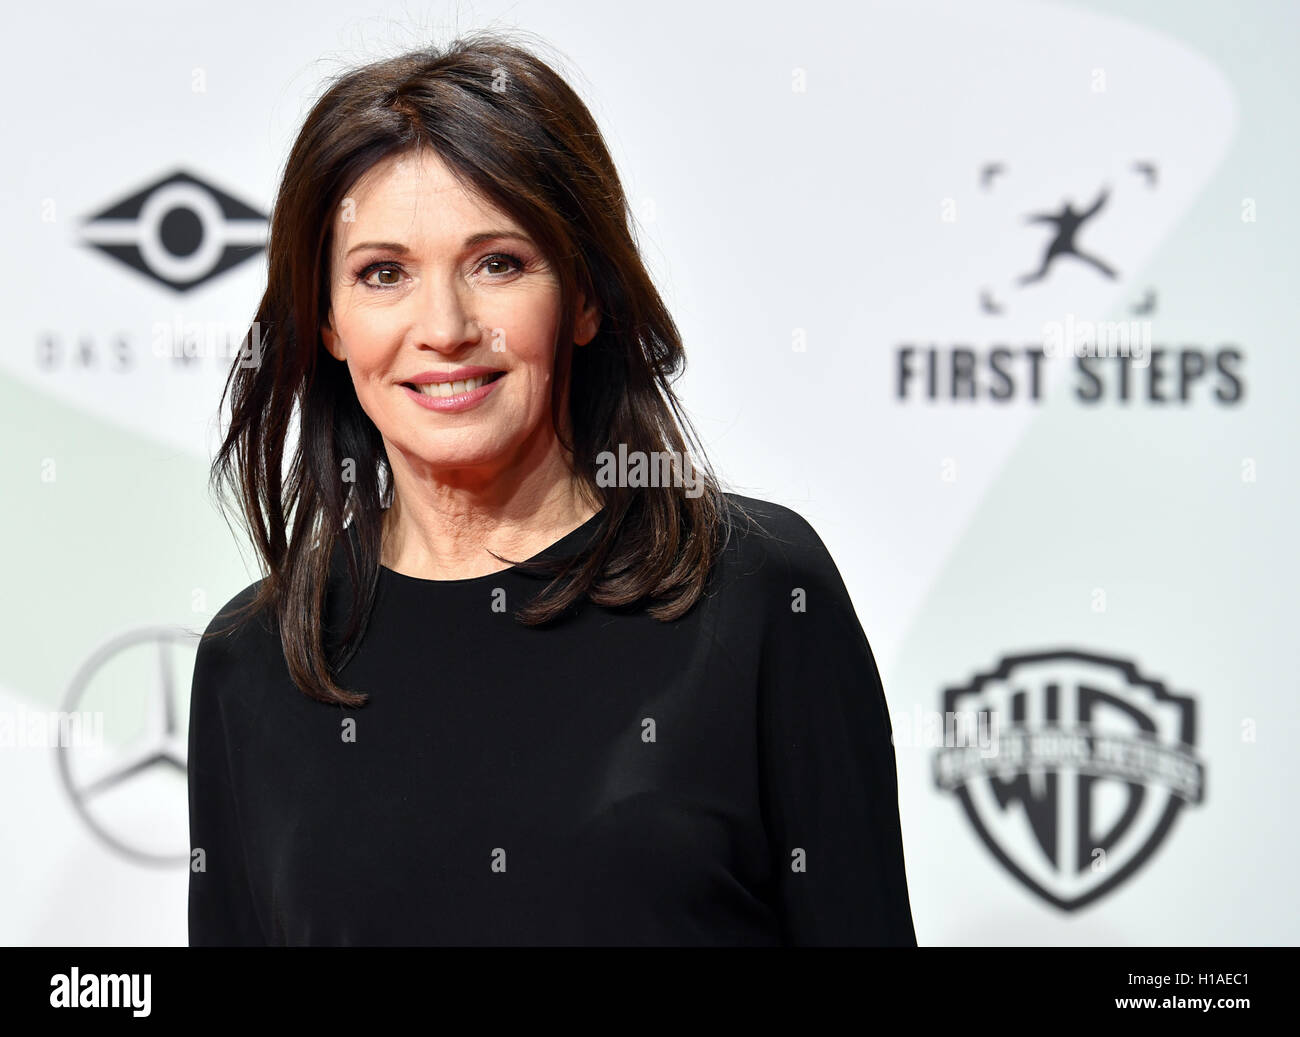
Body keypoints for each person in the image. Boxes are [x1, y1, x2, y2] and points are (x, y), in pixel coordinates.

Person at [188, 30, 916, 946]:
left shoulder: (757, 591)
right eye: (384, 273)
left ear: (584, 296)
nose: (444, 327)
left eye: (498, 263)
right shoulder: (257, 661)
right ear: (328, 322)